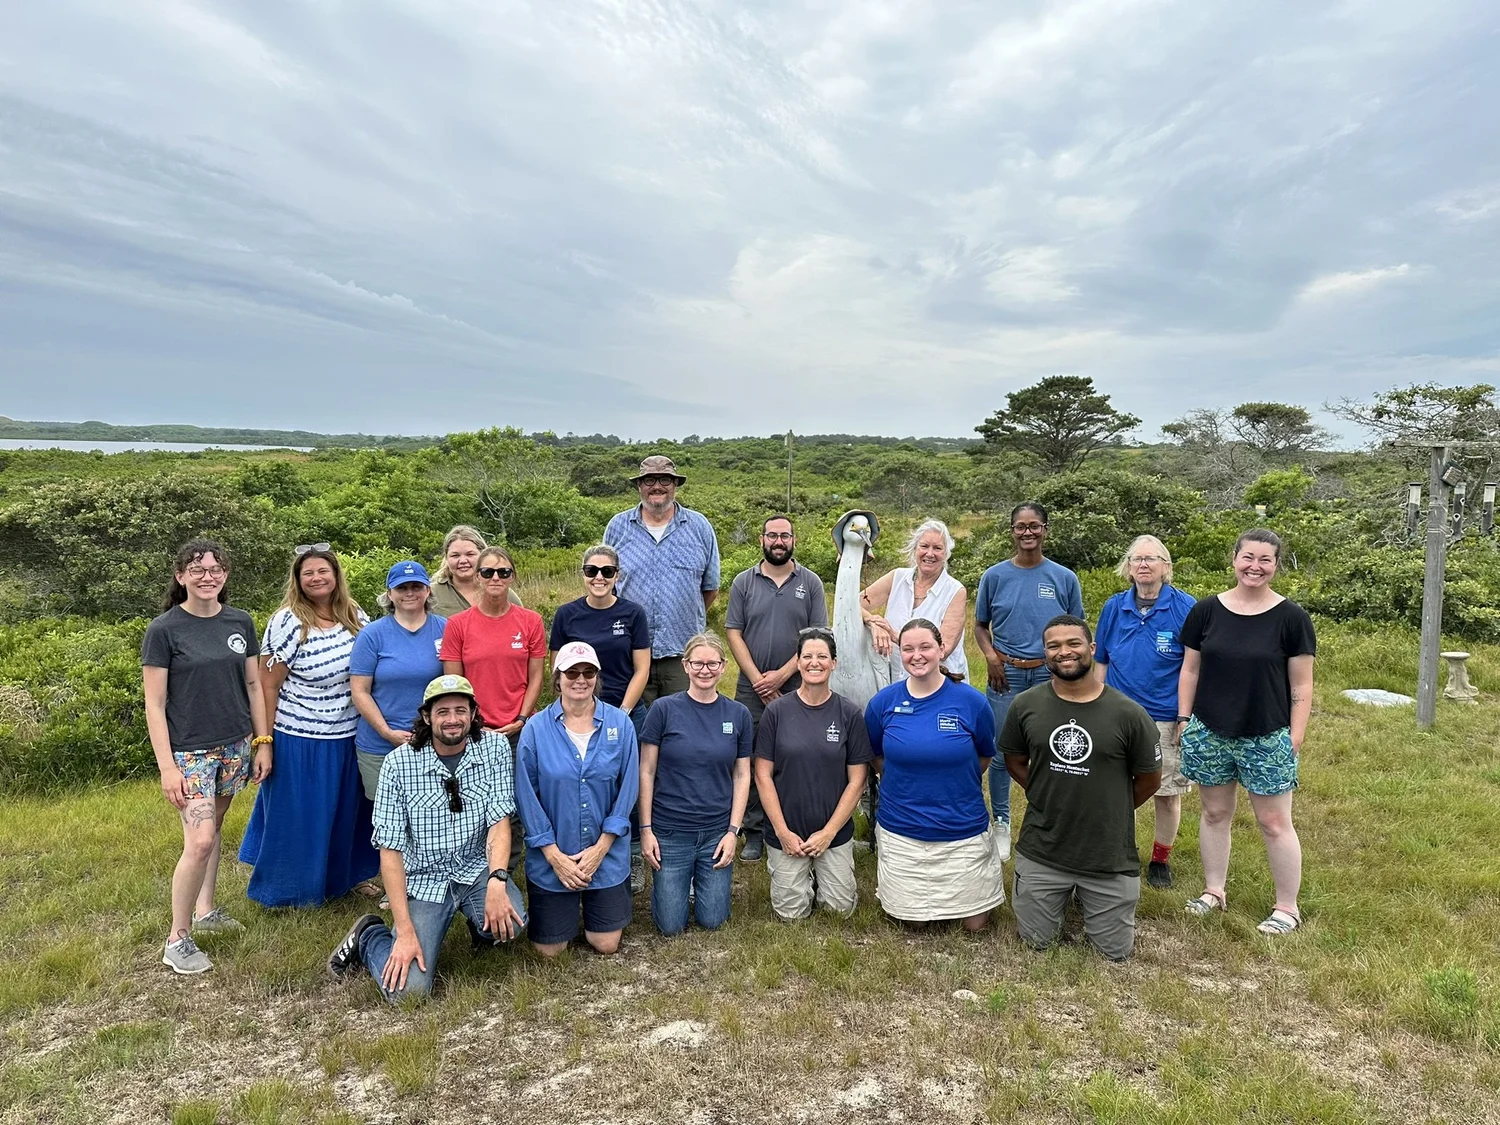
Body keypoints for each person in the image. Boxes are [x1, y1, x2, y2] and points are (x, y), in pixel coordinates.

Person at [327, 675, 527, 1001]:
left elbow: (500, 823)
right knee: (409, 993)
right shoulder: (397, 765)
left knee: (513, 922)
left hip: (475, 868)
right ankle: (370, 937)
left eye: (460, 710)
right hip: (424, 880)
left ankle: (481, 926)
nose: (452, 720)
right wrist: (404, 930)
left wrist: (497, 881)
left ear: (474, 713)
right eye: (443, 711)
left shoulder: (495, 749)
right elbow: (390, 851)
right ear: (426, 716)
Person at [142, 539, 272, 974]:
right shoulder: (164, 630)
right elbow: (154, 704)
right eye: (196, 569)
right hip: (188, 751)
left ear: (225, 575)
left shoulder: (240, 622)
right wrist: (167, 767)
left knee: (214, 828)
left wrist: (261, 742)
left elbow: (254, 687)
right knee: (198, 841)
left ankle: (206, 909)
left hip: (235, 744)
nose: (207, 576)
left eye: (215, 568)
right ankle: (177, 938)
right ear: (180, 577)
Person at [1000, 615, 1162, 961]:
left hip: (1108, 856)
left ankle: (1087, 896)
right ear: (1045, 654)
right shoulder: (1025, 705)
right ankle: (1058, 893)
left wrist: (1110, 805)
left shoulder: (1128, 714)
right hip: (1043, 847)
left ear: (1091, 648)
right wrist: (1044, 791)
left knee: (1114, 952)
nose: (1064, 652)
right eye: (1053, 646)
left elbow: (1149, 780)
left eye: (1073, 643)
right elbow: (1014, 760)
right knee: (1036, 943)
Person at [1179, 529, 1316, 935]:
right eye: (1248, 557)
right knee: (1215, 812)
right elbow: (1190, 669)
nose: (1255, 566)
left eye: (1265, 560)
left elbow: (1302, 685)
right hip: (1209, 730)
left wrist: (1296, 734)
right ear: (1234, 558)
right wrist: (1185, 720)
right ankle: (1213, 891)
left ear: (1276, 565)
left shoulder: (1292, 618)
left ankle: (1287, 908)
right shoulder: (1205, 611)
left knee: (1274, 822)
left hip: (1267, 732)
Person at [238, 545, 378, 907]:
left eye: (323, 571)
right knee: (301, 816)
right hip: (301, 736)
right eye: (308, 573)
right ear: (298, 581)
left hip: (348, 733)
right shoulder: (288, 621)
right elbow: (267, 685)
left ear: (336, 576)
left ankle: (344, 878)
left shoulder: (354, 614)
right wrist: (264, 742)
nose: (317, 578)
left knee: (346, 814)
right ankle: (289, 890)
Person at [864, 618, 1004, 931]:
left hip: (962, 827)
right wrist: (906, 778)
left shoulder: (972, 702)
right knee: (911, 924)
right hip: (903, 828)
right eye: (909, 648)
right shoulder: (883, 703)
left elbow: (984, 755)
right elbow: (874, 755)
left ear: (941, 650)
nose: (917, 655)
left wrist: (950, 778)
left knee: (975, 926)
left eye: (926, 646)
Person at [515, 643, 639, 956]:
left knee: (606, 944)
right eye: (571, 672)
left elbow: (628, 790)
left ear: (597, 678)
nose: (580, 679)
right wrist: (554, 855)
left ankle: (594, 909)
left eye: (588, 672)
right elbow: (527, 796)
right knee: (550, 951)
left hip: (605, 852)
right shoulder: (535, 728)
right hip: (552, 854)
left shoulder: (620, 724)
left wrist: (601, 848)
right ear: (558, 678)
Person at [974, 502, 1084, 855]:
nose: (1028, 533)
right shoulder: (995, 576)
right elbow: (979, 625)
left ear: (1045, 529)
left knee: (1051, 747)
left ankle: (1049, 814)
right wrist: (991, 657)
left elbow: (1076, 629)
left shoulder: (1063, 578)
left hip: (1047, 674)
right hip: (1005, 674)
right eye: (1021, 527)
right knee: (1004, 749)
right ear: (1012, 531)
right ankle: (1002, 821)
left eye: (1034, 526)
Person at [1093, 536, 1196, 889]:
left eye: (1152, 559)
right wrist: (1095, 705)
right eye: (1136, 559)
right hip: (1117, 714)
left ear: (1166, 567)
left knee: (1167, 792)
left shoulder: (1186, 608)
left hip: (1166, 715)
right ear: (1128, 567)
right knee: (1112, 789)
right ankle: (1118, 851)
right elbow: (1101, 661)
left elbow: (1196, 667)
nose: (1143, 565)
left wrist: (1186, 715)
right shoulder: (1114, 607)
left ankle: (1160, 860)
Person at [724, 515, 829, 861]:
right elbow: (733, 632)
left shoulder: (810, 583)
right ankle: (755, 831)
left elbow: (817, 637)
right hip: (750, 690)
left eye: (785, 535)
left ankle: (794, 823)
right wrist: (758, 679)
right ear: (762, 539)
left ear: (794, 540)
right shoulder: (743, 581)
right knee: (754, 759)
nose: (778, 541)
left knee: (795, 758)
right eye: (772, 535)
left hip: (800, 688)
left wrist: (782, 676)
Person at [548, 544, 652, 892]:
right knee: (584, 783)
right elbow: (556, 666)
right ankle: (579, 850)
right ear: (583, 573)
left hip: (624, 712)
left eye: (607, 571)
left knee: (627, 786)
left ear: (617, 575)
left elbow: (642, 669)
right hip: (577, 714)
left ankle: (631, 855)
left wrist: (620, 714)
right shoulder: (567, 615)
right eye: (592, 570)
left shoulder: (633, 614)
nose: (599, 577)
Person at [753, 627, 871, 921]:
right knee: (792, 914)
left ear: (834, 663)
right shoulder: (776, 712)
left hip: (833, 831)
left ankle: (823, 873)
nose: (814, 662)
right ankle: (800, 873)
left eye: (822, 656)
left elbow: (858, 780)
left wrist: (828, 833)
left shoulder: (850, 714)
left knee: (839, 912)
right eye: (807, 656)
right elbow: (762, 775)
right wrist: (782, 833)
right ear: (798, 661)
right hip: (787, 831)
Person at [638, 632, 752, 935]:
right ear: (686, 666)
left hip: (716, 831)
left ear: (724, 666)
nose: (705, 670)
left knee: (712, 920)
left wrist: (733, 831)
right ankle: (677, 885)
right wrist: (646, 829)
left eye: (712, 663)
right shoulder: (663, 710)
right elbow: (646, 771)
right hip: (671, 830)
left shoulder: (738, 714)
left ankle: (696, 883)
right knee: (670, 927)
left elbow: (742, 775)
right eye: (698, 663)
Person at [605, 455, 721, 708]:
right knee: (633, 729)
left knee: (683, 729)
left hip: (683, 653)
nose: (657, 486)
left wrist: (679, 616)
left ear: (675, 484)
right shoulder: (618, 527)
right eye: (649, 480)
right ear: (639, 485)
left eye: (665, 480)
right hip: (631, 652)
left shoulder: (699, 527)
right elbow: (607, 587)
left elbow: (710, 589)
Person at [350, 561, 447, 803]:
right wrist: (387, 732)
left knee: (433, 814)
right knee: (387, 821)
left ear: (428, 591)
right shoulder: (371, 635)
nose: (410, 593)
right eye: (402, 588)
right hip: (380, 745)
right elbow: (360, 691)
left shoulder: (446, 629)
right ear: (389, 594)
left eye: (417, 586)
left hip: (434, 743)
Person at [440, 546, 545, 740]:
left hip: (521, 728)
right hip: (474, 730)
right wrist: (473, 723)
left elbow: (536, 677)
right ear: (477, 577)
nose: (495, 578)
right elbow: (455, 684)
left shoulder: (532, 621)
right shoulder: (457, 624)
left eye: (503, 572)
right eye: (487, 572)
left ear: (512, 576)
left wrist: (521, 719)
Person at [859, 518, 969, 685]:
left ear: (946, 554)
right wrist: (872, 623)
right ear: (915, 549)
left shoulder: (955, 591)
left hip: (942, 683)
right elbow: (851, 604)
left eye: (937, 548)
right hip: (898, 681)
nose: (930, 554)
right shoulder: (896, 577)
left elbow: (944, 649)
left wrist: (894, 636)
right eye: (924, 546)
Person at [428, 525, 523, 617]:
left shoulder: (501, 591)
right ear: (447, 558)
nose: (463, 561)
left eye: (470, 554)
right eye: (455, 555)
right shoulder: (431, 593)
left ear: (483, 556)